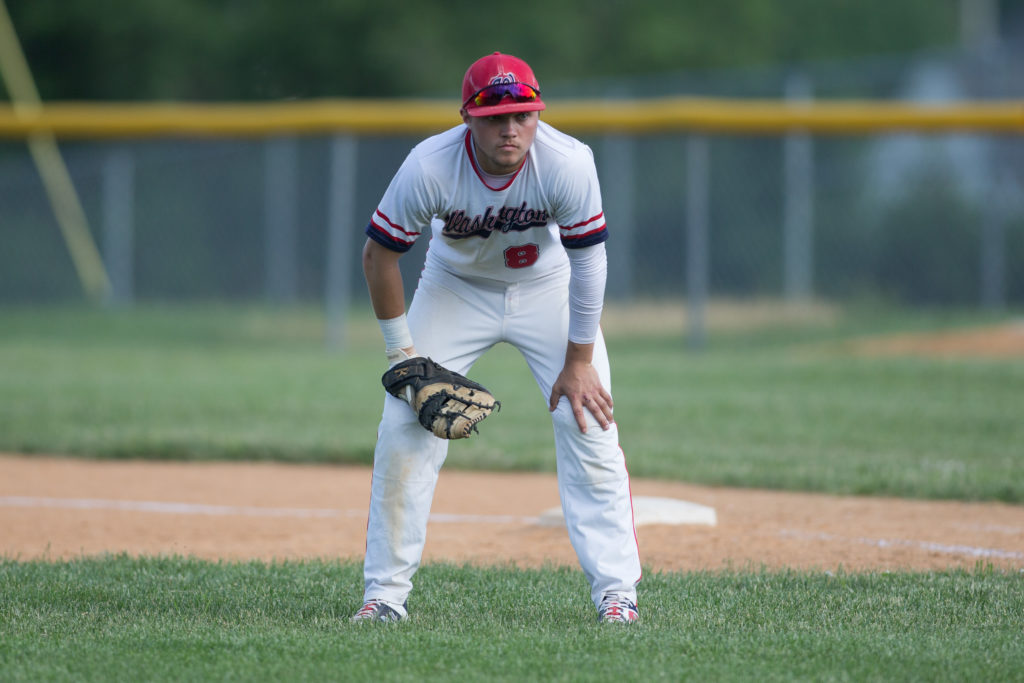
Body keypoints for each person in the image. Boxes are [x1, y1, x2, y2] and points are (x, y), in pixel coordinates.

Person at [352, 51, 642, 624]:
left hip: (548, 287)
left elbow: (589, 263)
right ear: (468, 118)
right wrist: (403, 355)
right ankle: (384, 597)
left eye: (524, 115)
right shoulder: (429, 166)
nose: (511, 129)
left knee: (587, 419)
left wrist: (579, 360)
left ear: (538, 114)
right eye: (494, 117)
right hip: (456, 287)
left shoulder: (567, 161)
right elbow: (378, 256)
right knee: (404, 426)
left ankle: (618, 594)